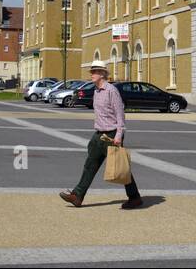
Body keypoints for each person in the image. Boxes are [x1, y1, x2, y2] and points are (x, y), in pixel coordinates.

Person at [59, 60, 143, 209]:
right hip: (99, 134)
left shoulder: (111, 91)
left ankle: (135, 198)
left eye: (95, 71)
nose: (92, 74)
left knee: (120, 168)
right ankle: (77, 196)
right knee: (89, 165)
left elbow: (120, 115)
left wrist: (118, 135)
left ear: (103, 74)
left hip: (111, 135)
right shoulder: (96, 91)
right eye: (91, 71)